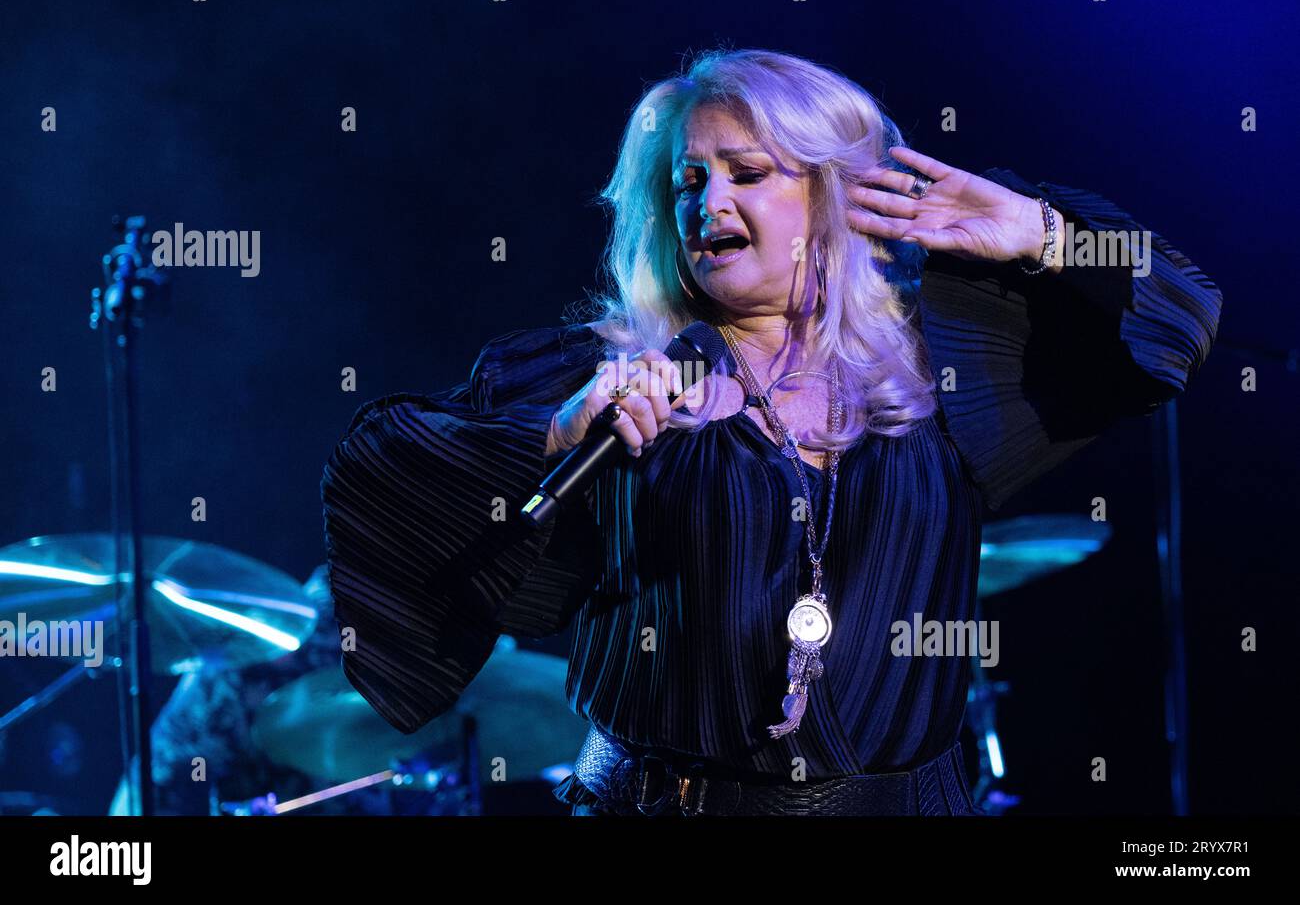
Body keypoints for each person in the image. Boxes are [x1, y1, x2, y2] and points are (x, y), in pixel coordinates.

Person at [320, 48, 1221, 816]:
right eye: (688, 180)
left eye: (747, 173)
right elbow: (381, 482)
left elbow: (1179, 321)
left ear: (833, 195)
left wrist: (1044, 235)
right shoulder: (613, 375)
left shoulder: (945, 372)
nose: (709, 201)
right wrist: (554, 439)